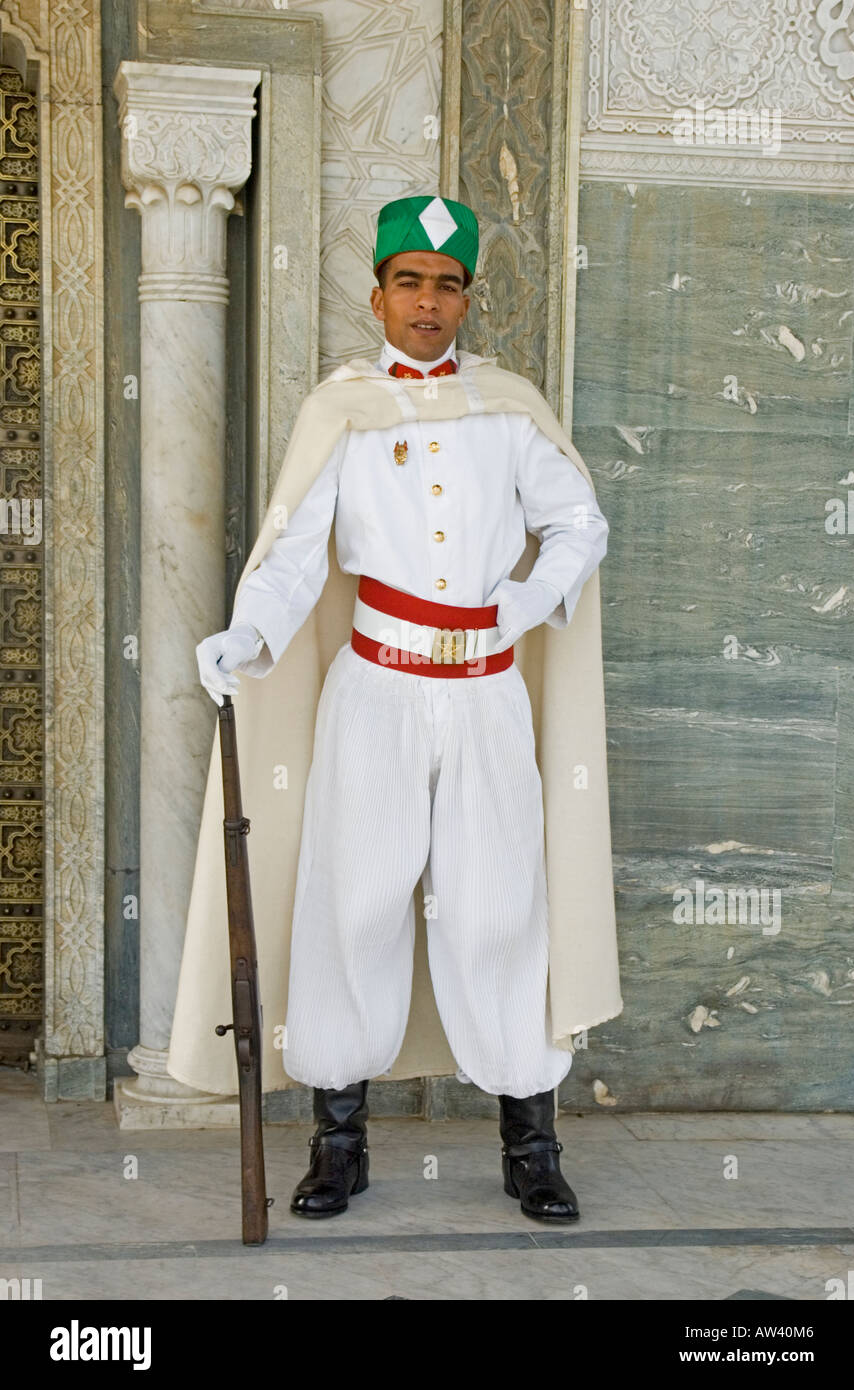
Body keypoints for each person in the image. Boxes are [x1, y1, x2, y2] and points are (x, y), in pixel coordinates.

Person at [194, 194, 616, 1224]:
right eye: (410, 281)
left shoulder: (507, 409)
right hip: (374, 692)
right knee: (357, 904)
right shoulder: (340, 409)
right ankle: (339, 1145)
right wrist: (246, 633)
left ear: (467, 297)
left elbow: (579, 523)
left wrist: (521, 601)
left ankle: (532, 1145)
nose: (429, 302)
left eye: (449, 283)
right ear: (378, 292)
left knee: (496, 908)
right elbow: (294, 555)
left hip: (484, 697)